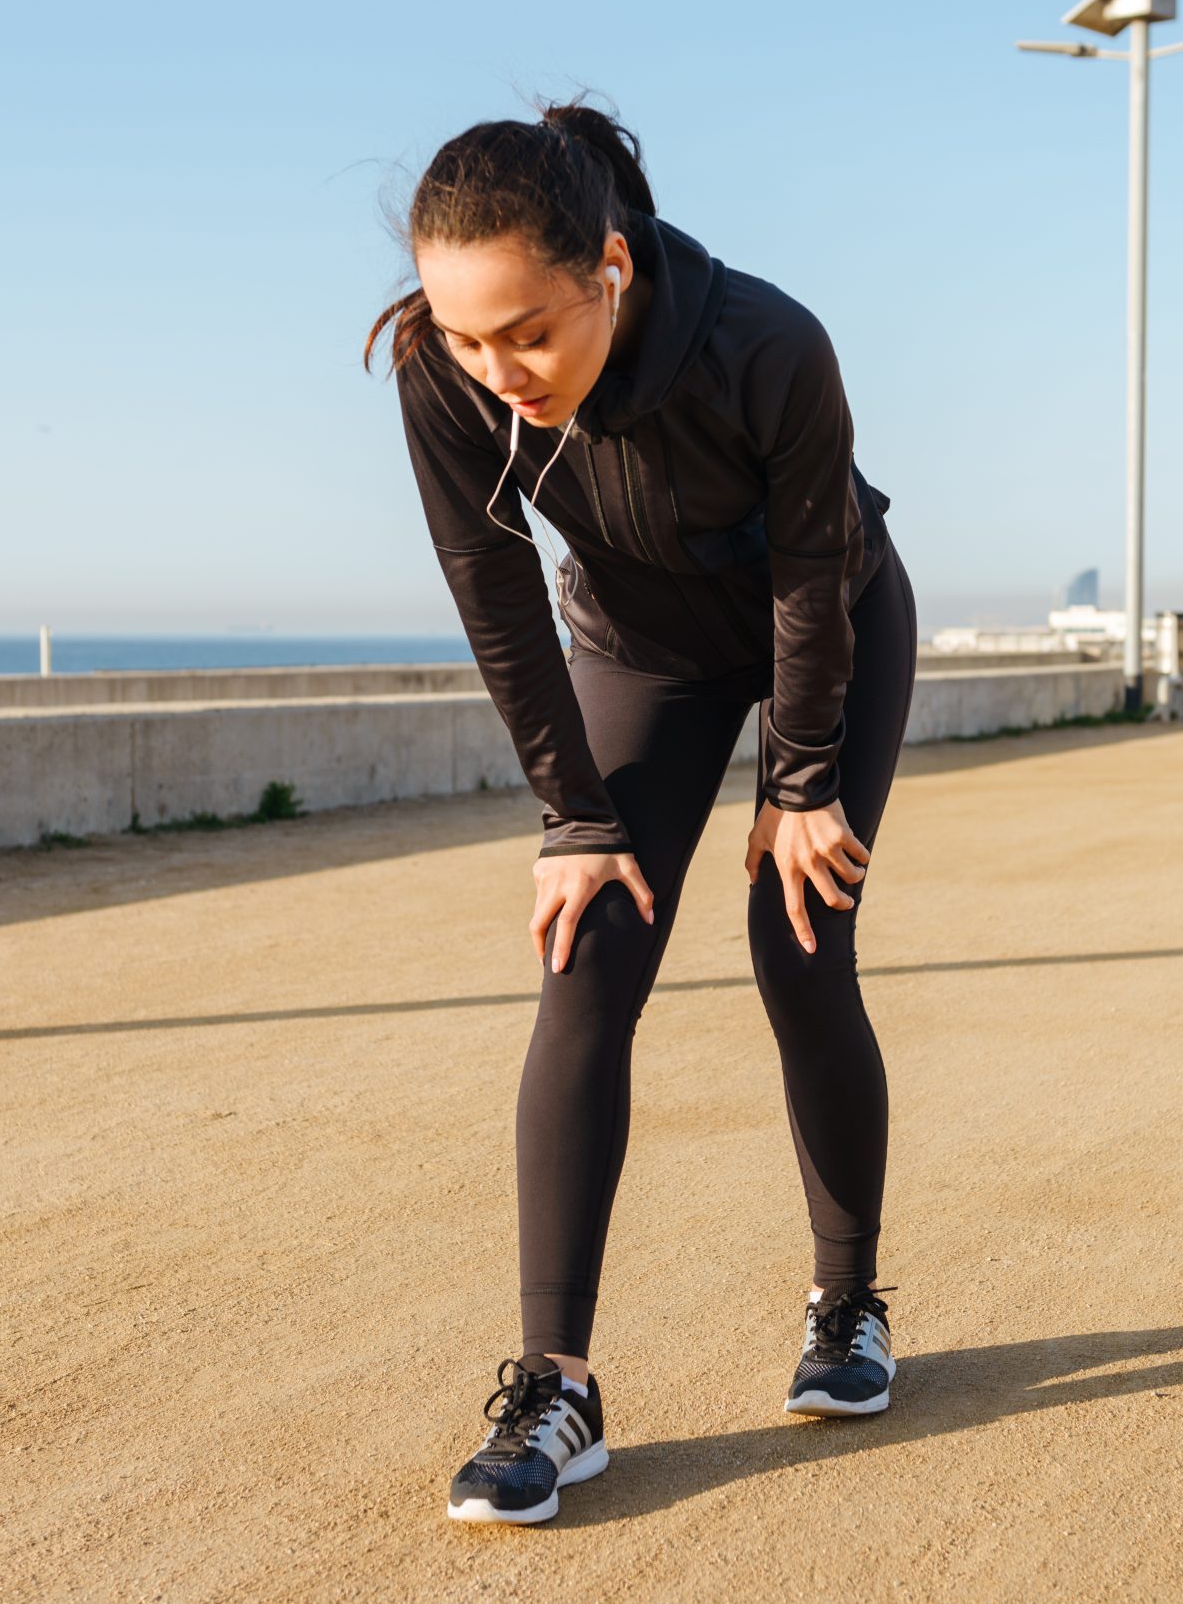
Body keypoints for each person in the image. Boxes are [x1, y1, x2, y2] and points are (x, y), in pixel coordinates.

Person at [365, 98, 915, 1525]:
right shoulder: (442, 370)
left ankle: (848, 1303)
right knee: (585, 958)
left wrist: (799, 781)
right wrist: (574, 814)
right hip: (639, 650)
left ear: (610, 266)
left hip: (829, 623)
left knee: (797, 938)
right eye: (467, 336)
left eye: (528, 333)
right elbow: (491, 584)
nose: (499, 372)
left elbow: (809, 577)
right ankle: (558, 1385)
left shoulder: (767, 345)